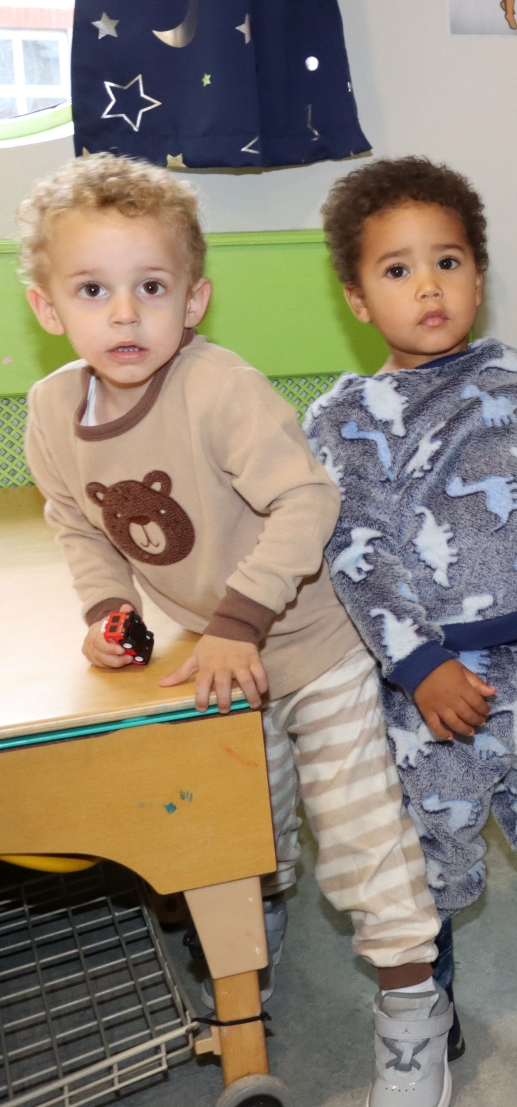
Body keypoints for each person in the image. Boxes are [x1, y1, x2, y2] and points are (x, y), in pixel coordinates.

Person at [18, 156, 452, 1105]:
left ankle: (414, 1005)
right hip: (211, 661)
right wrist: (109, 615)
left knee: (362, 837)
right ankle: (246, 948)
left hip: (308, 648)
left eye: (152, 288)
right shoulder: (51, 415)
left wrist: (241, 620)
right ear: (48, 307)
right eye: (94, 290)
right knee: (243, 831)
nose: (125, 315)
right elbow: (76, 522)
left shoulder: (218, 387)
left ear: (195, 298)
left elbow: (308, 499)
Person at [306, 158, 517, 1031]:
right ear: (357, 298)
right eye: (397, 269)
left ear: (480, 275)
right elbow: (358, 552)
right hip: (444, 678)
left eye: (448, 262)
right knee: (437, 838)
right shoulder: (352, 417)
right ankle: (428, 986)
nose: (428, 285)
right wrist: (419, 666)